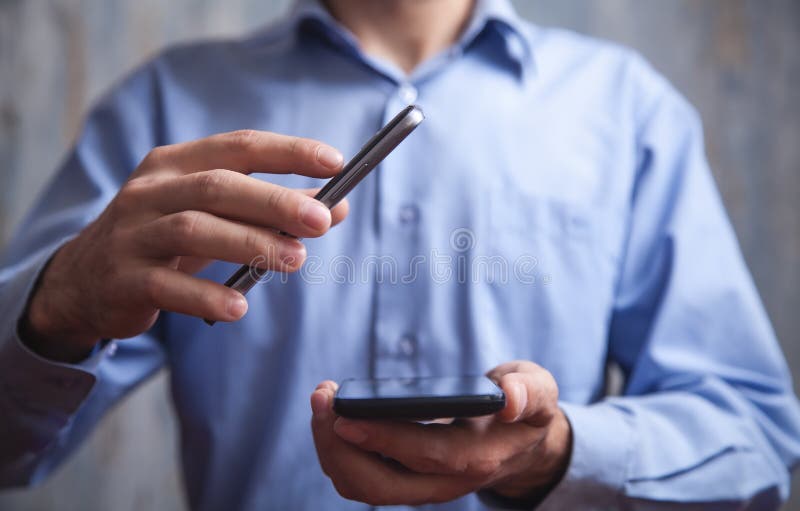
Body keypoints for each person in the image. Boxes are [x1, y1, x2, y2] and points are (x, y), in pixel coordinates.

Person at [0, 0, 798, 509]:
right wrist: (57, 304)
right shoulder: (166, 108)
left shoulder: (627, 109)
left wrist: (558, 454)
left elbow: (757, 439)